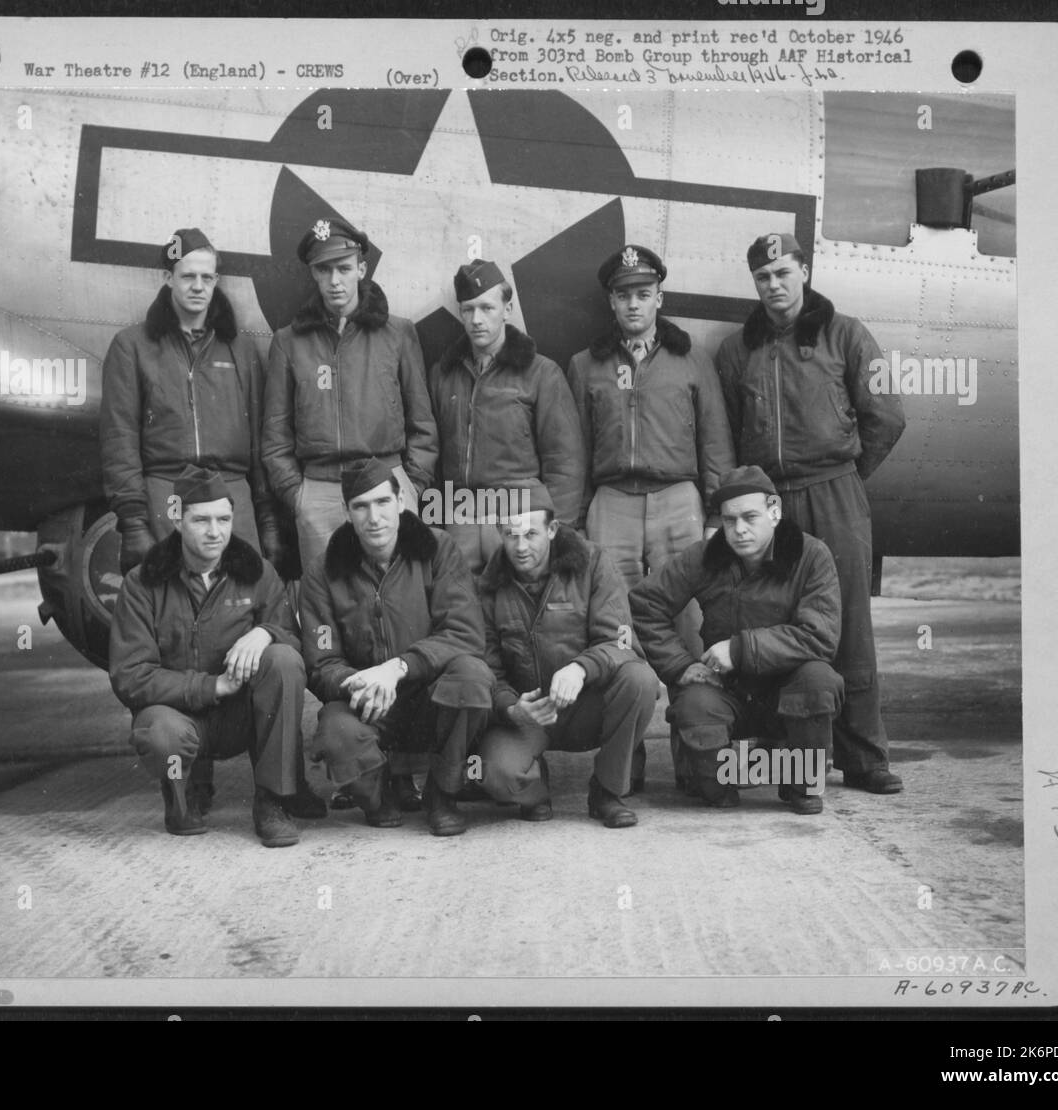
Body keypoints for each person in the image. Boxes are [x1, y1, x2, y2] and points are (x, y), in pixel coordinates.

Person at [715, 233, 906, 794]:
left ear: (804, 270)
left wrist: (845, 476)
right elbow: (727, 435)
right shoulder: (735, 351)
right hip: (769, 502)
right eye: (763, 277)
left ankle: (866, 757)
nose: (774, 285)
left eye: (782, 272)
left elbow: (887, 416)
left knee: (848, 620)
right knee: (775, 618)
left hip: (834, 492)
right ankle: (790, 755)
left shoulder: (847, 334)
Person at [567, 244, 736, 792]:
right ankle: (628, 754)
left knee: (684, 624)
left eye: (643, 294)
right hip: (612, 500)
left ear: (659, 297)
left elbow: (715, 441)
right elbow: (574, 452)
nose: (634, 304)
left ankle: (696, 751)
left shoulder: (691, 360)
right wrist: (571, 523)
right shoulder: (585, 365)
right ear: (610, 302)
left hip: (677, 498)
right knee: (614, 626)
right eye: (623, 295)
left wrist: (716, 513)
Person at [108, 466, 309, 846]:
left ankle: (272, 800)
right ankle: (183, 795)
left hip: (240, 716)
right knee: (163, 734)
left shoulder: (258, 573)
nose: (215, 532)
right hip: (180, 715)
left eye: (224, 519)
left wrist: (265, 633)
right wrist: (211, 685)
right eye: (201, 520)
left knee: (282, 660)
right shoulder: (142, 583)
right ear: (177, 521)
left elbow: (294, 639)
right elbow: (130, 675)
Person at [629, 467, 844, 814]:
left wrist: (740, 649)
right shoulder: (704, 556)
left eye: (750, 517)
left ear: (774, 511)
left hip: (787, 688)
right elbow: (645, 604)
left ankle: (799, 782)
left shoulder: (811, 555)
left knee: (819, 682)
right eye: (729, 521)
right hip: (725, 688)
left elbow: (820, 636)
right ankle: (720, 781)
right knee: (694, 712)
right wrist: (680, 666)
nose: (739, 529)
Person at [300, 459, 493, 836]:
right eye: (361, 506)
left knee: (472, 677)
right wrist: (361, 683)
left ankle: (442, 794)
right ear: (347, 512)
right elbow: (321, 660)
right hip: (368, 703)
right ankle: (378, 794)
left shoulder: (438, 549)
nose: (374, 517)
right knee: (336, 733)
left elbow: (465, 632)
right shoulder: (323, 572)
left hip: (430, 696)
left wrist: (399, 668)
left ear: (401, 500)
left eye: (382, 502)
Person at [262, 216, 438, 573]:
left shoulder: (398, 334)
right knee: (326, 599)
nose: (334, 280)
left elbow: (422, 423)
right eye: (323, 270)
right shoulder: (288, 342)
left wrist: (411, 484)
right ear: (313, 274)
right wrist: (299, 497)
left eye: (343, 268)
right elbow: (275, 434)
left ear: (361, 268)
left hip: (387, 486)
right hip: (320, 492)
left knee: (396, 591)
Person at [475, 489, 658, 827]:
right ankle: (535, 789)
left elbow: (621, 641)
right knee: (495, 774)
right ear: (499, 534)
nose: (520, 547)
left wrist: (580, 668)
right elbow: (487, 666)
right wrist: (510, 707)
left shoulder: (594, 563)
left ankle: (607, 790)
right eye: (510, 535)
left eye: (531, 533)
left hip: (588, 703)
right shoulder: (487, 587)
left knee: (640, 679)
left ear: (552, 529)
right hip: (530, 714)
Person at [100, 226, 277, 572]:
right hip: (167, 491)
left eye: (207, 278)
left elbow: (259, 437)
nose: (198, 286)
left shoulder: (240, 349)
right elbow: (119, 438)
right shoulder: (132, 346)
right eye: (188, 276)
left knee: (242, 600)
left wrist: (267, 518)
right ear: (168, 277)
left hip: (232, 493)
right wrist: (134, 522)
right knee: (172, 604)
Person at [427, 259, 584, 573]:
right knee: (460, 605)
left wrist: (560, 528)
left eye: (487, 308)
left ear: (507, 309)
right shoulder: (443, 375)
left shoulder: (541, 372)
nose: (476, 319)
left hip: (518, 515)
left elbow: (565, 458)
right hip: (462, 514)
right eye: (468, 309)